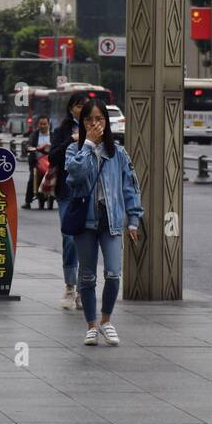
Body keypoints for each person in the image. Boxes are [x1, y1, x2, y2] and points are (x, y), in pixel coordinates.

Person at [65, 97, 143, 347]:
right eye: (89, 119)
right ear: (82, 122)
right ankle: (91, 325)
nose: (95, 124)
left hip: (110, 221)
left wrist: (133, 219)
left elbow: (130, 187)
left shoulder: (118, 152)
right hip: (84, 223)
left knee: (113, 273)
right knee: (87, 277)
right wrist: (87, 145)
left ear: (107, 122)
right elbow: (74, 176)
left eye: (99, 119)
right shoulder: (74, 149)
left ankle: (106, 320)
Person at [48, 93, 87, 310]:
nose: (82, 110)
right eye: (79, 106)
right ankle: (70, 286)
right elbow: (52, 157)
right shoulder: (62, 130)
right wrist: (70, 140)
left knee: (87, 239)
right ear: (71, 108)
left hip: (90, 192)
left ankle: (84, 288)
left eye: (85, 106)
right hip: (67, 192)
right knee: (70, 237)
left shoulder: (96, 129)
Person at [24, 115, 52, 209]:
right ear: (38, 125)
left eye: (45, 124)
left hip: (51, 162)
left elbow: (59, 145)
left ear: (48, 124)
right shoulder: (34, 135)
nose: (43, 126)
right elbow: (28, 144)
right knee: (32, 178)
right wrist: (29, 148)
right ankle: (28, 201)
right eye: (41, 124)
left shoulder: (53, 135)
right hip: (36, 162)